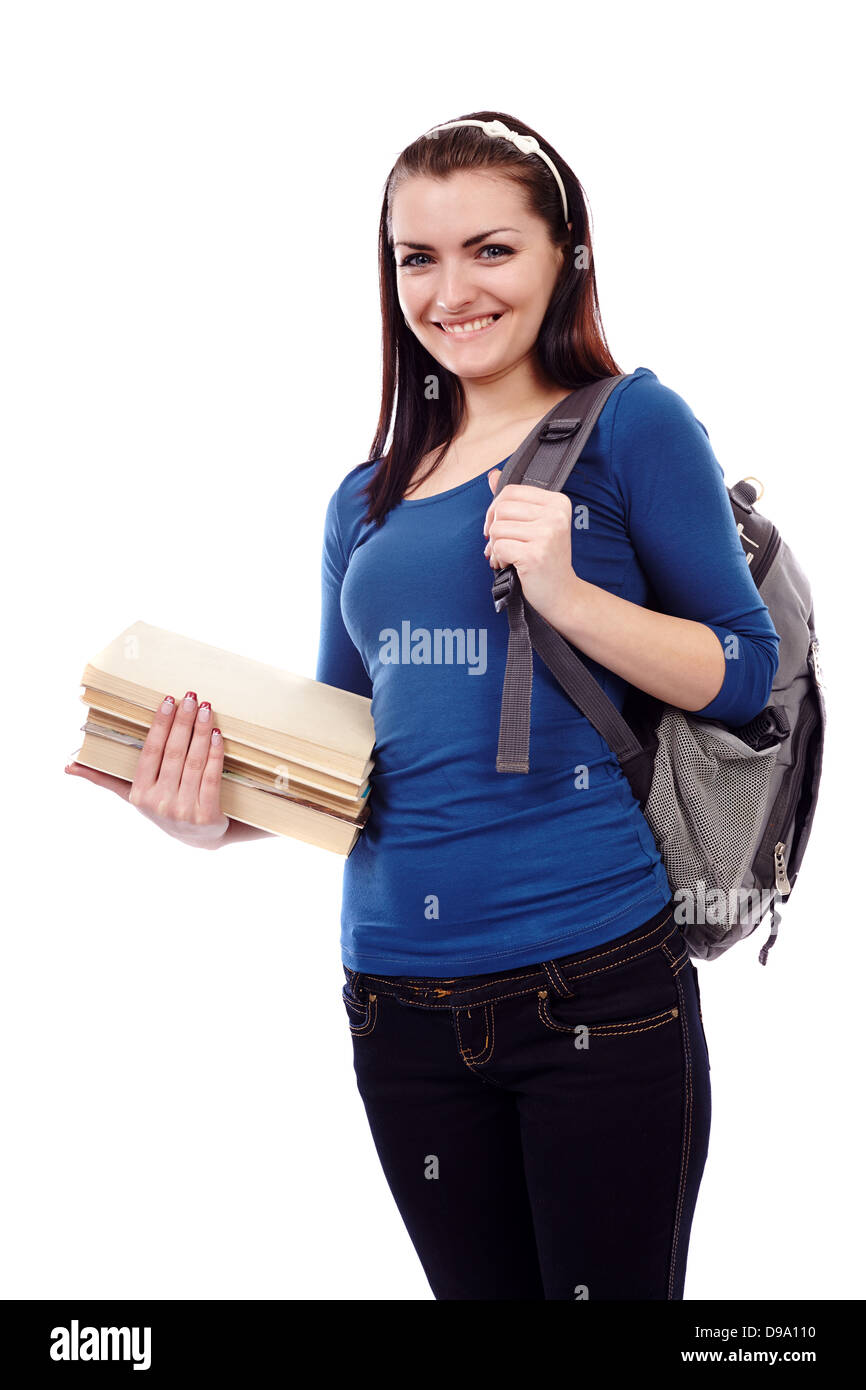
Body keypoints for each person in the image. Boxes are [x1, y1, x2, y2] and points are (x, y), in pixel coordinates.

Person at [67, 110, 780, 1301]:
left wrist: (566, 592)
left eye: (490, 249)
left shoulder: (629, 424)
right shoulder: (366, 498)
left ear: (567, 255)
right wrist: (209, 814)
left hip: (593, 984)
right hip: (394, 1002)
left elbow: (743, 667)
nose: (450, 290)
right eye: (417, 257)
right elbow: (348, 755)